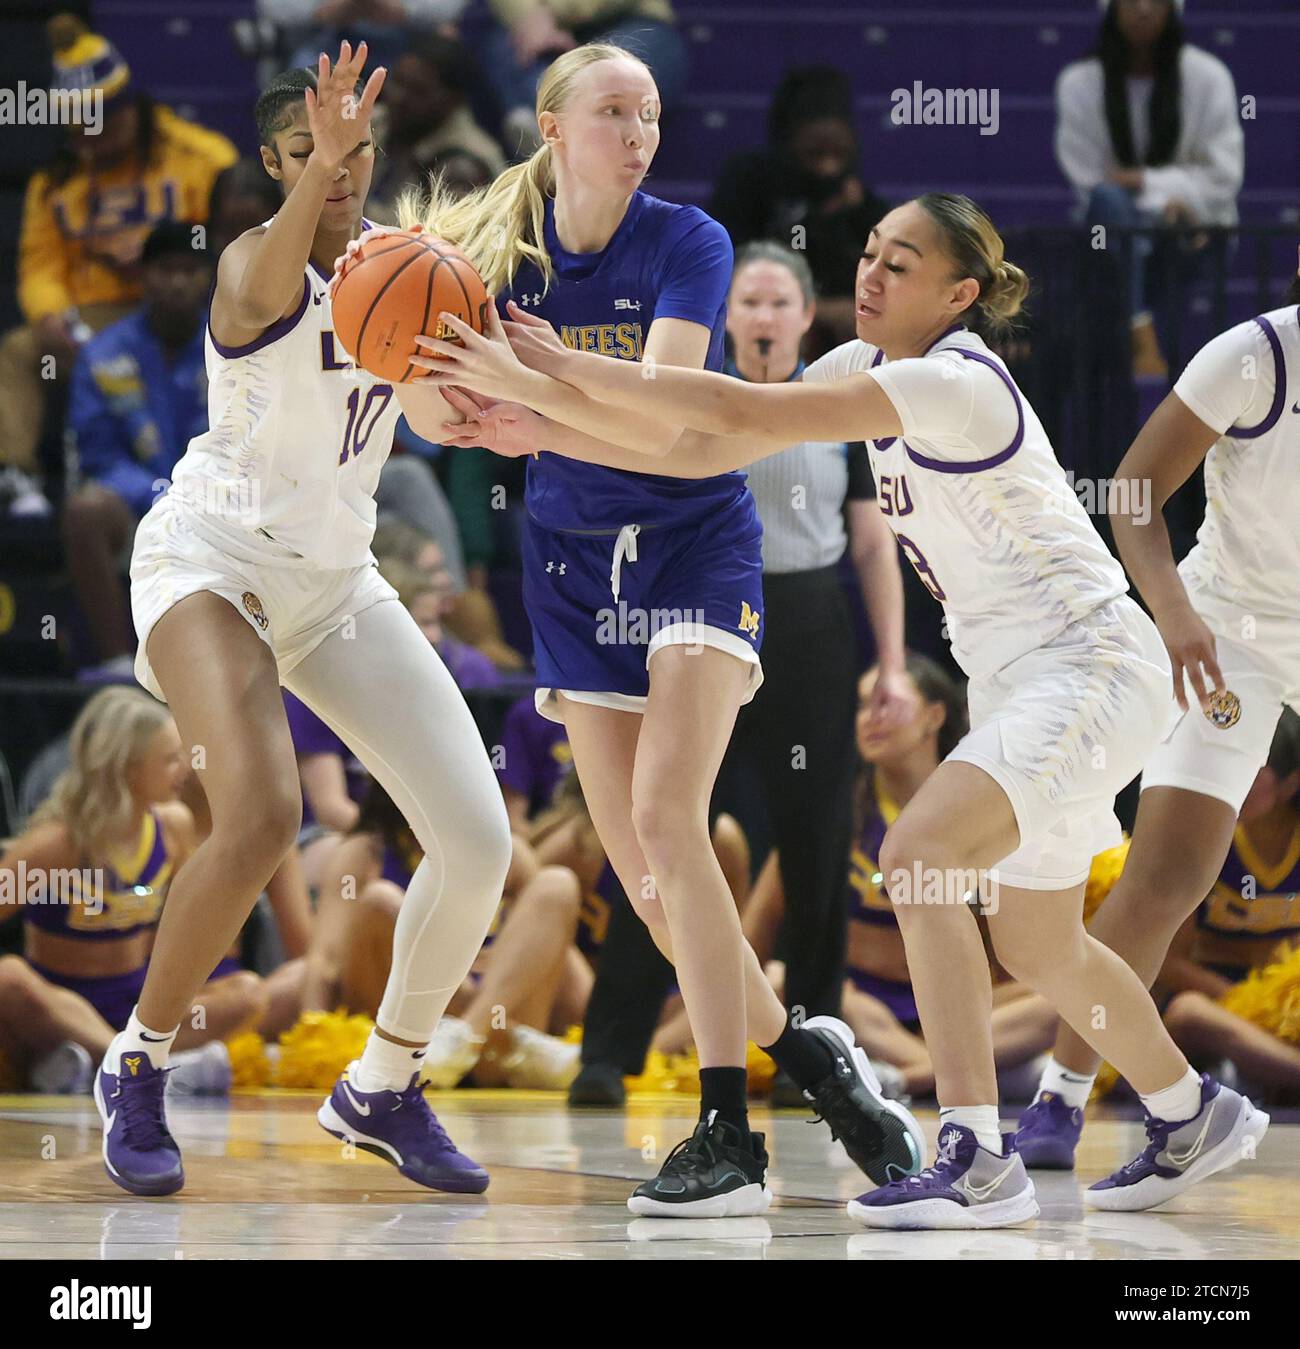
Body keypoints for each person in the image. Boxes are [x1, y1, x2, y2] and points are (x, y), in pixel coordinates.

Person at [423, 189, 1271, 1228]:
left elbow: (739, 413)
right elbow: (700, 443)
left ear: (958, 294)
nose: (869, 274)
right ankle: (1190, 1111)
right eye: (867, 253)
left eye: (900, 264)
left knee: (917, 856)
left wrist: (551, 366)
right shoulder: (859, 370)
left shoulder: (955, 384)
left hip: (1088, 665)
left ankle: (973, 1155)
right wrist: (535, 422)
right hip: (1025, 682)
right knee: (1035, 941)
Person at [380, 41, 925, 1217]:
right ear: (549, 125)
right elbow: (430, 405)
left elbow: (670, 424)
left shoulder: (691, 241)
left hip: (694, 537)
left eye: (652, 113)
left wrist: (531, 393)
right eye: (613, 112)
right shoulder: (490, 252)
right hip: (572, 567)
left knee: (669, 817)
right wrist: (455, 388)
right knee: (650, 888)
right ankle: (815, 1054)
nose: (639, 133)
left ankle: (727, 1128)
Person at [96, 43, 512, 1200]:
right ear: (272, 163)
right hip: (208, 562)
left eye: (354, 150)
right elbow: (265, 289)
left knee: (479, 843)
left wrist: (495, 407)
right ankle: (138, 1059)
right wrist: (308, 180)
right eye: (306, 154)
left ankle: (382, 1083)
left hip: (331, 582)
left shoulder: (404, 267)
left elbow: (441, 404)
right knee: (266, 810)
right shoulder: (248, 265)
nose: (336, 171)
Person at [1016, 260, 1300, 1168]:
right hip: (1234, 636)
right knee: (1164, 878)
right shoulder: (1254, 356)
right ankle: (1060, 1100)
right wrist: (1174, 617)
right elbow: (1134, 493)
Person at [716, 242, 911, 1105]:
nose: (762, 317)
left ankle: (816, 1050)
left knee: (817, 839)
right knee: (668, 829)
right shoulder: (701, 397)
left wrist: (895, 666)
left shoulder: (841, 411)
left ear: (805, 317)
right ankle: (620, 1045)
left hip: (810, 621)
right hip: (713, 613)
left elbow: (875, 543)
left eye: (777, 302)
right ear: (726, 316)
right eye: (748, 302)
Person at [0, 15, 237, 515]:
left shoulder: (204, 158)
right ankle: (20, 477)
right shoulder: (56, 181)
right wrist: (53, 317)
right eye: (78, 127)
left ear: (129, 106)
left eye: (100, 121)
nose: (91, 138)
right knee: (22, 352)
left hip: (188, 306)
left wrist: (162, 250)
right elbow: (39, 266)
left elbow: (231, 238)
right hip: (98, 315)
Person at [0, 689, 262, 1096]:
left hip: (136, 998)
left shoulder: (172, 827)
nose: (184, 770)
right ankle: (144, 1070)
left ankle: (93, 1066)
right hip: (59, 1004)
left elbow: (190, 919)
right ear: (128, 768)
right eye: (170, 759)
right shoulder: (55, 844)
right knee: (8, 976)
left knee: (247, 993)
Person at [1055, 0, 1243, 376]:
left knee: (1132, 220)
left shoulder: (1208, 76)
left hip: (1196, 231)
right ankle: (1141, 332)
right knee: (1110, 207)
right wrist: (1163, 203)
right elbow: (1090, 182)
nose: (1143, 10)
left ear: (1174, 9)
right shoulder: (1080, 82)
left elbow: (1224, 175)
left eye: (1155, 1)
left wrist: (1151, 187)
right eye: (1130, 1)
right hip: (1112, 233)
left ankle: (1139, 335)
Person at [64, 223, 215, 682]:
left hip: (218, 504)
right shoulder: (105, 353)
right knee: (85, 510)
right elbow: (98, 456)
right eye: (166, 270)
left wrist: (192, 495)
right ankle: (115, 661)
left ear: (208, 276)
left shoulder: (232, 344)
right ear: (144, 276)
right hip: (137, 505)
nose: (177, 282)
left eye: (189, 270)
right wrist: (162, 492)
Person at [711, 67, 889, 359]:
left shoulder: (861, 203)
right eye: (815, 154)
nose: (828, 168)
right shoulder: (747, 184)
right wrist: (820, 312)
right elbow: (732, 272)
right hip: (768, 319)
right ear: (789, 143)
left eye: (838, 154)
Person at [480, 1, 687, 155]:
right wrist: (526, 18)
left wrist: (555, 13)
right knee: (503, 47)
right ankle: (553, 129)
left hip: (631, 19)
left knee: (621, 63)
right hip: (540, 24)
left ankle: (556, 131)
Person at [366, 34, 505, 222]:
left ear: (452, 101)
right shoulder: (376, 120)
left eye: (417, 91)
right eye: (397, 81)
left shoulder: (467, 164)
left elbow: (438, 243)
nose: (399, 98)